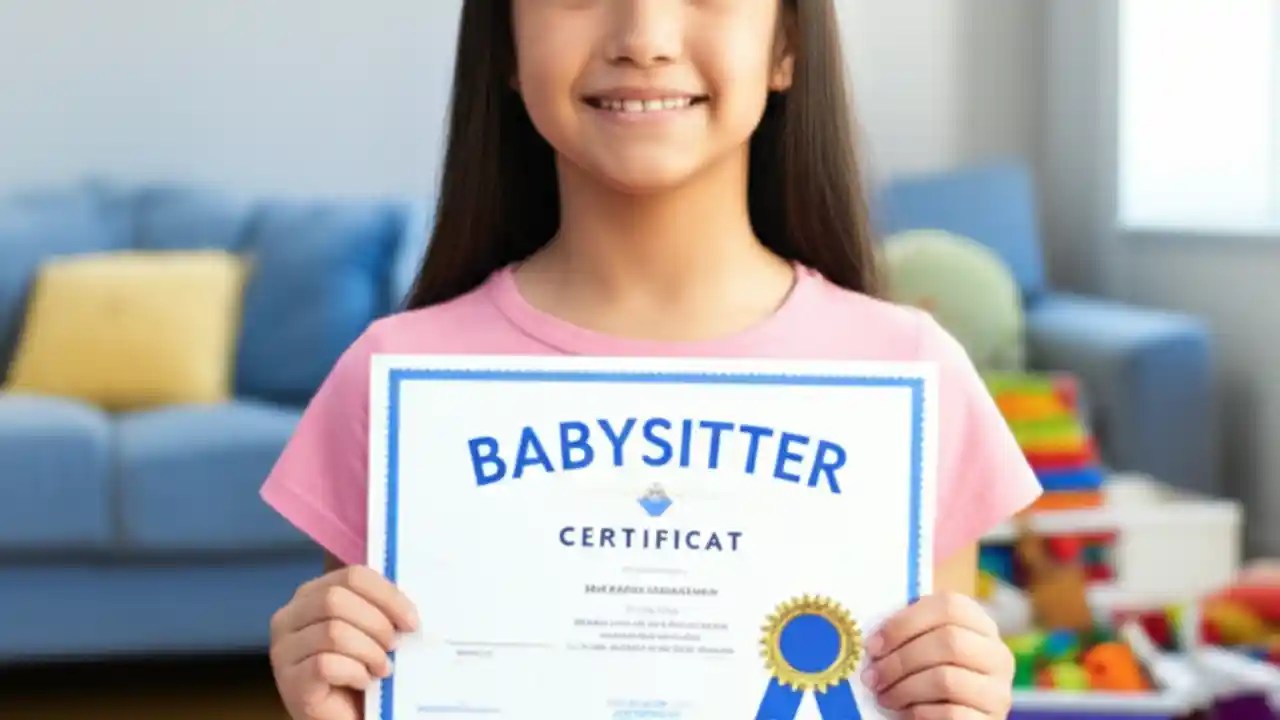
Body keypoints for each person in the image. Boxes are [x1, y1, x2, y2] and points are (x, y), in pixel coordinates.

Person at [261, 1, 1043, 718]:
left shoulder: (910, 374)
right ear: (505, 43)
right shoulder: (392, 382)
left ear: (786, 45)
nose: (643, 39)